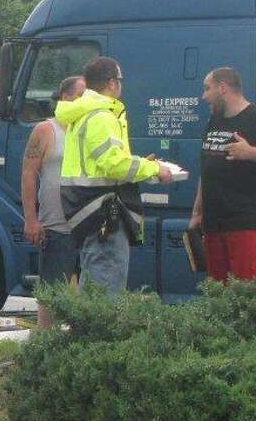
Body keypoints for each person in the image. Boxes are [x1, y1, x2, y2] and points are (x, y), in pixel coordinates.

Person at [57, 56, 172, 295]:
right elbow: (112, 164)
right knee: (106, 289)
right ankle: (101, 333)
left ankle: (90, 331)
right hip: (103, 212)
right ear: (110, 83)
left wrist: (140, 163)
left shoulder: (84, 113)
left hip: (88, 210)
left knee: (94, 283)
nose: (121, 85)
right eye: (120, 80)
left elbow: (106, 163)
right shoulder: (101, 116)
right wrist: (154, 169)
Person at [189, 67, 256, 285]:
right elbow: (208, 168)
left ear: (223, 88)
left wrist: (250, 152)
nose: (203, 97)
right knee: (219, 297)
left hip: (247, 223)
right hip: (214, 225)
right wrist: (197, 212)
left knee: (251, 295)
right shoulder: (214, 122)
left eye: (207, 89)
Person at [21, 75, 85, 287]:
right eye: (80, 96)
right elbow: (28, 174)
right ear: (65, 97)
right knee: (53, 295)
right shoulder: (46, 130)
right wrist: (31, 220)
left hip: (87, 226)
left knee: (84, 295)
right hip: (56, 228)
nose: (85, 102)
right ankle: (47, 323)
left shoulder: (88, 130)